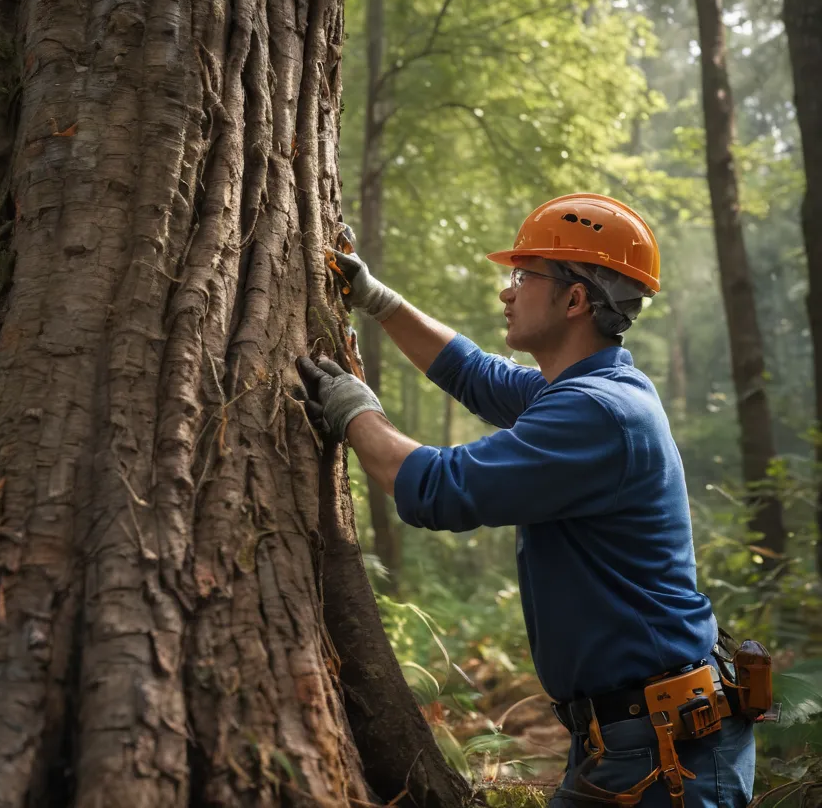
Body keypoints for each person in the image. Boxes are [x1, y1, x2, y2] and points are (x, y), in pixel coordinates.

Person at [296, 193, 756, 808]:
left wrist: (355, 413)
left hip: (662, 754)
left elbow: (439, 489)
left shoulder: (597, 411)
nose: (506, 292)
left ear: (575, 299)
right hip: (634, 737)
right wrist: (379, 300)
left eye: (523, 276)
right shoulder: (592, 388)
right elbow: (474, 374)